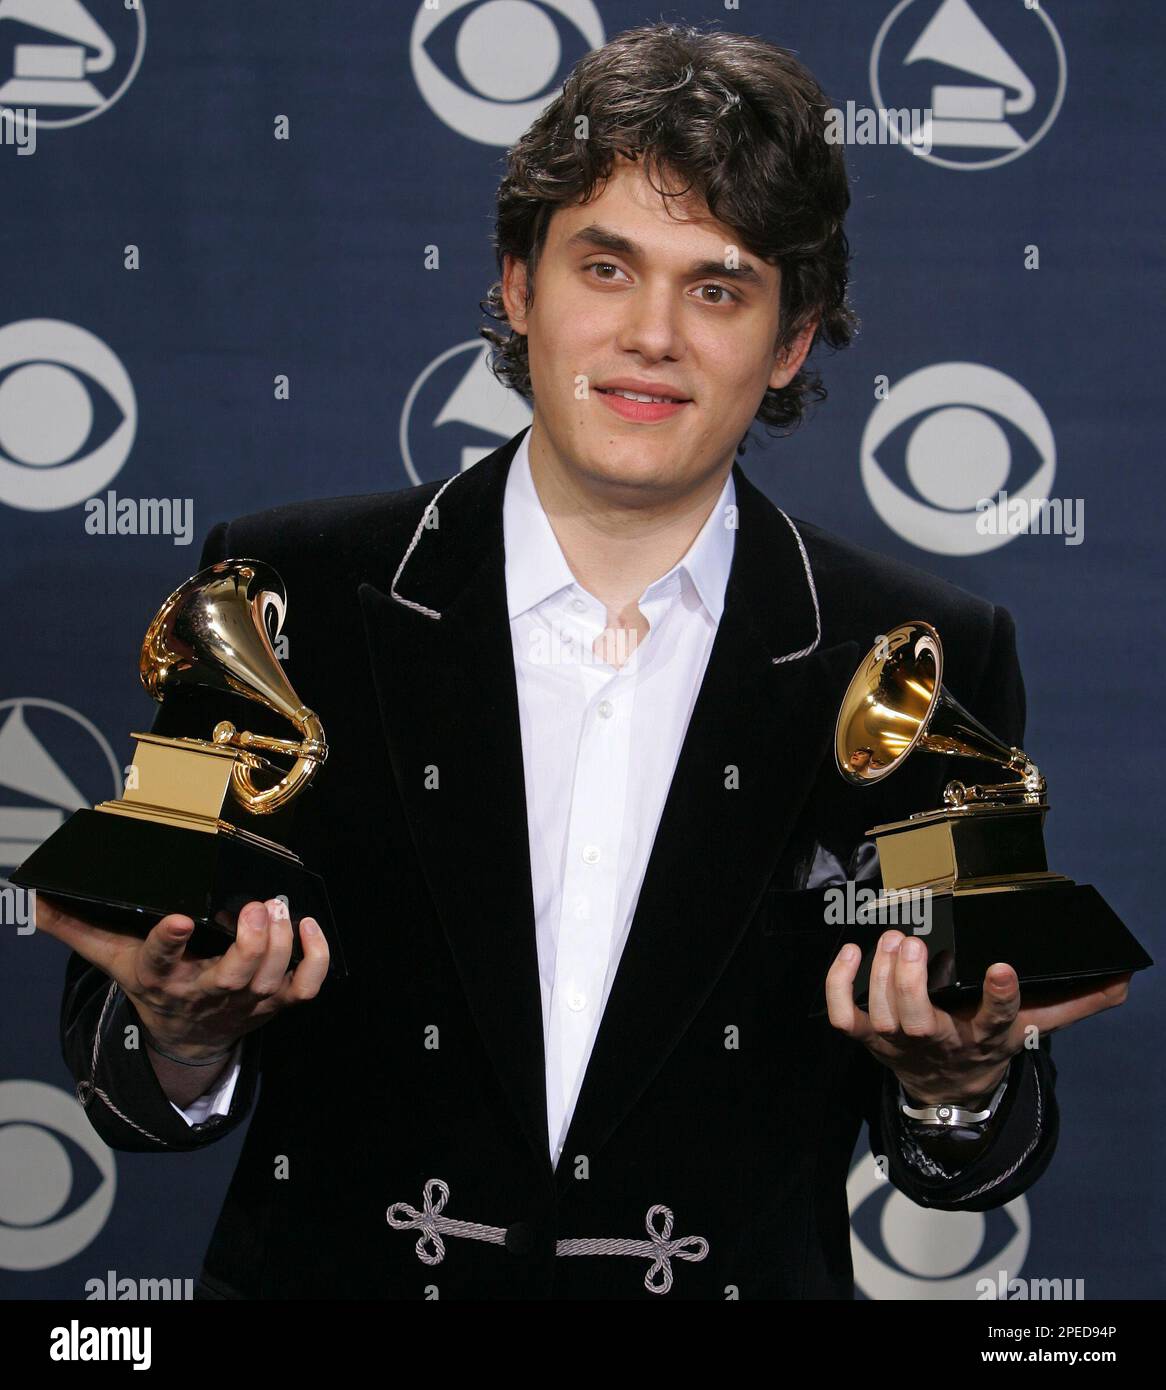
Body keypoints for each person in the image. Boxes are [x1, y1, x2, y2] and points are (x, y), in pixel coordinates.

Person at [38, 22, 1128, 1300]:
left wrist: (957, 1087)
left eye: (715, 287)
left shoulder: (922, 658)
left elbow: (971, 1153)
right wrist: (177, 1037)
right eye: (604, 266)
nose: (650, 334)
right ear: (518, 287)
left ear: (788, 342)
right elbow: (127, 1071)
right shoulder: (280, 597)